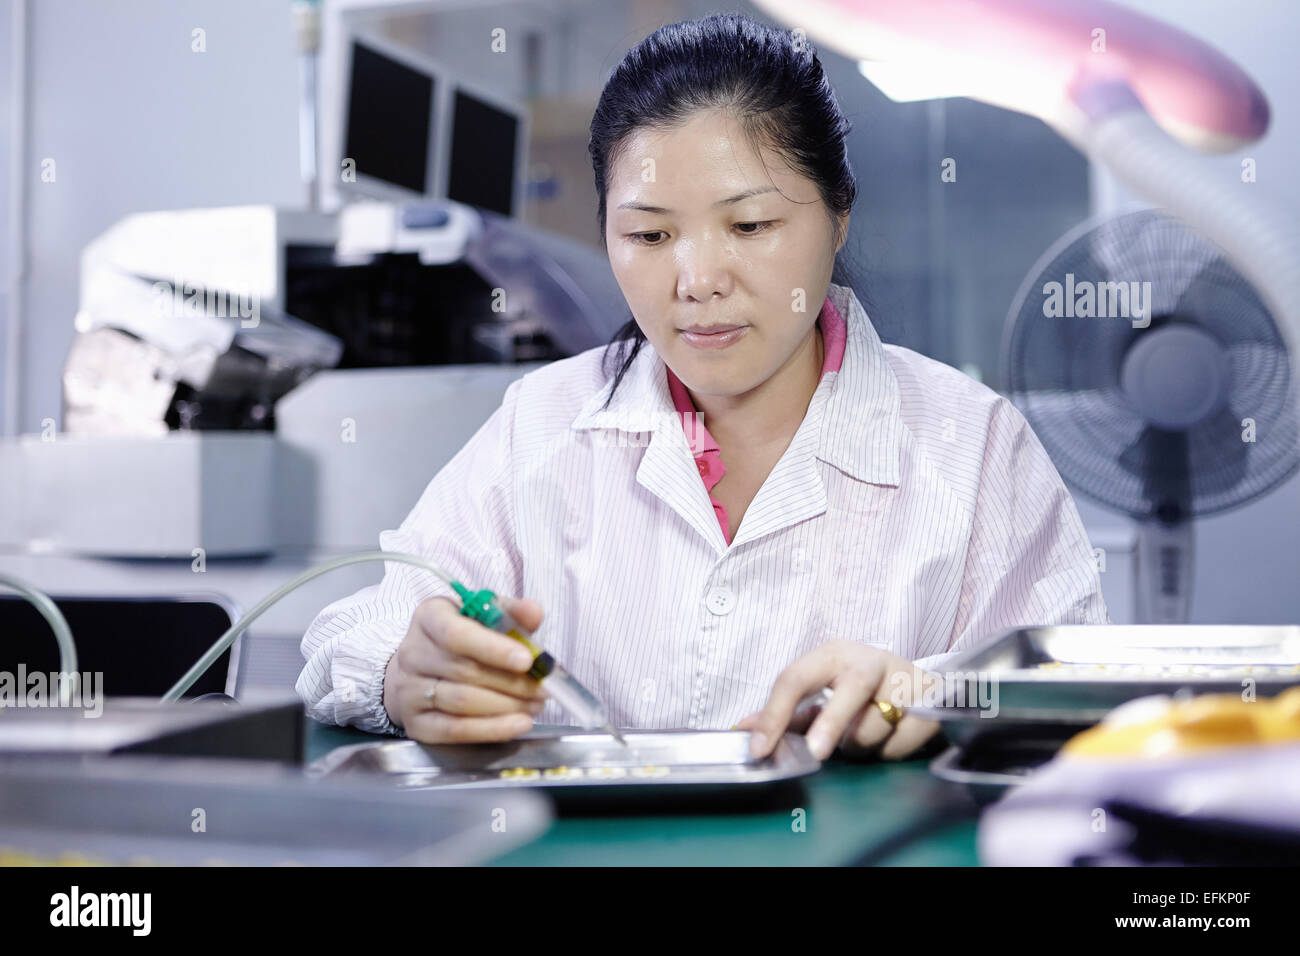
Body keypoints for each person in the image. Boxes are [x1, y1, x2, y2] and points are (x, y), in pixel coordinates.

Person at [297, 12, 1108, 763]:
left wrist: (943, 694)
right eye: (649, 234)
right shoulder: (540, 425)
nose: (697, 280)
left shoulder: (971, 443)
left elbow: (1079, 694)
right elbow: (350, 630)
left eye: (750, 226)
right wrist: (406, 675)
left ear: (839, 215)